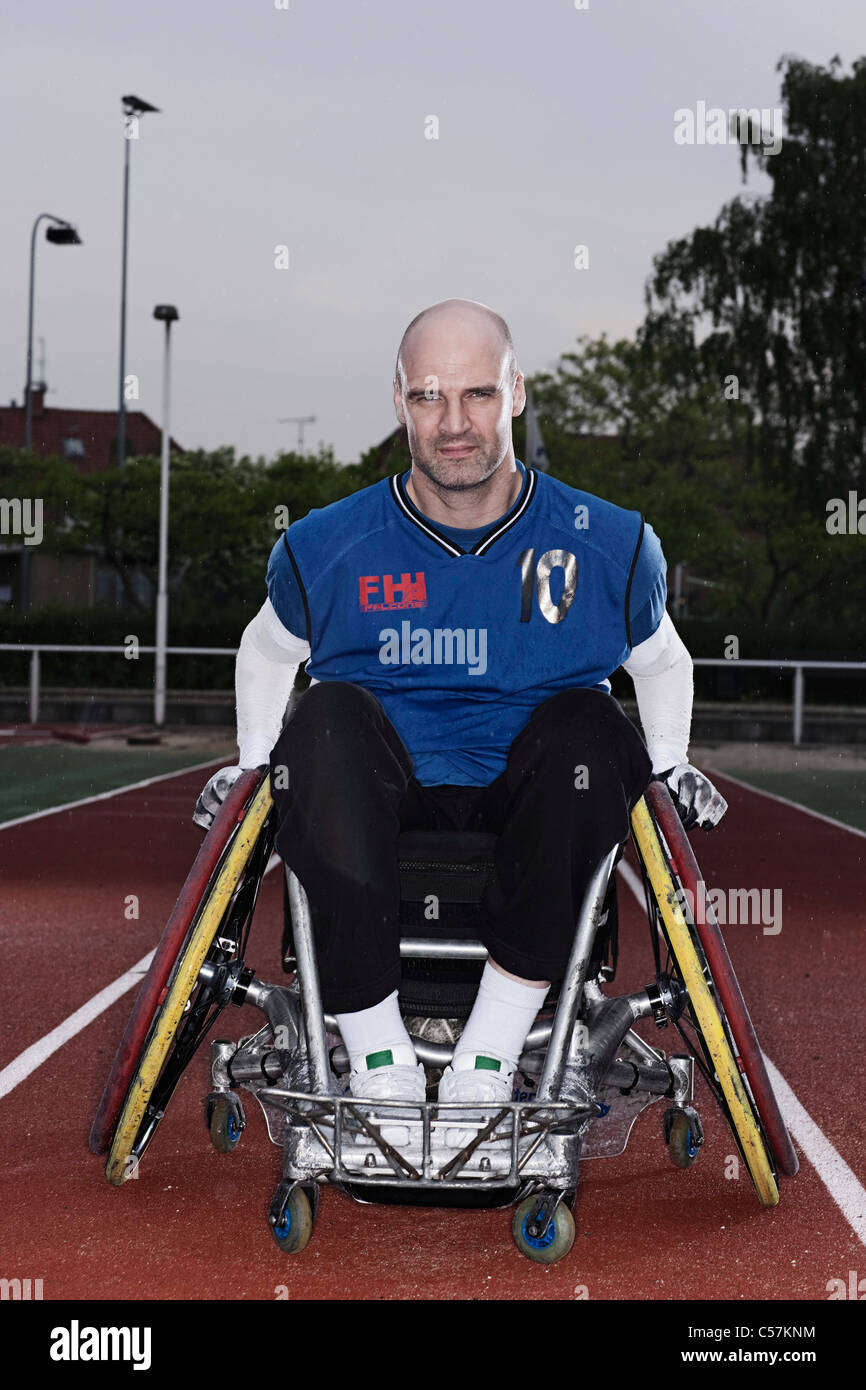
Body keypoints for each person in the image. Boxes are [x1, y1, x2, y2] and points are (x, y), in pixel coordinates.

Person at [194, 298, 727, 1124]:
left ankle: (489, 1049)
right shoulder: (328, 545)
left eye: (477, 394)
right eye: (427, 396)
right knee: (325, 716)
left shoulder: (608, 543)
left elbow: (662, 662)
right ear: (397, 400)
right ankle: (378, 1056)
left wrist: (671, 763)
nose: (453, 422)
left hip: (536, 789)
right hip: (382, 788)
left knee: (593, 728)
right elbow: (268, 652)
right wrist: (251, 761)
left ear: (516, 392)